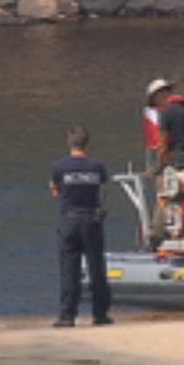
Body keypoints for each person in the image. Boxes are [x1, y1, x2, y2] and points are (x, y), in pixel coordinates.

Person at [50, 126, 114, 327]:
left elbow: (55, 191)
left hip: (69, 219)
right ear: (87, 144)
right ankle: (100, 314)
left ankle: (67, 315)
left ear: (68, 143)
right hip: (91, 219)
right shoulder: (97, 166)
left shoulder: (59, 166)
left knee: (69, 268)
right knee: (96, 268)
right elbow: (102, 189)